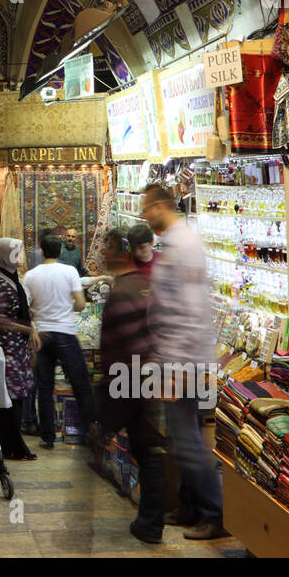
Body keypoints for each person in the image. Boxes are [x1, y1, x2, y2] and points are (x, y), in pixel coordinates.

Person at [140, 184, 226, 540]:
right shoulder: (176, 241)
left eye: (147, 209)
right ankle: (191, 505)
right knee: (182, 437)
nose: (145, 216)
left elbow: (188, 311)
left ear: (161, 205)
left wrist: (175, 368)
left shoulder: (184, 244)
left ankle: (214, 513)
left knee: (188, 440)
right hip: (180, 357)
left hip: (185, 360)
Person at [97, 226, 165, 544]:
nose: (103, 255)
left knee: (147, 452)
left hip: (131, 383)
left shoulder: (125, 289)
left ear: (121, 253)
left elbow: (134, 344)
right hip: (136, 381)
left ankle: (151, 524)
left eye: (108, 250)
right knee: (146, 450)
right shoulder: (137, 284)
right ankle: (150, 522)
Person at [23, 233, 94, 450]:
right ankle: (91, 432)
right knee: (80, 383)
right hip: (64, 332)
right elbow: (81, 304)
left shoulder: (30, 276)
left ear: (41, 251)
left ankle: (48, 437)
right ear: (61, 251)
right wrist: (65, 307)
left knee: (44, 386)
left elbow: (26, 309)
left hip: (42, 335)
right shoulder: (69, 271)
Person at [0, 237, 39, 460]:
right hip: (8, 348)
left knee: (17, 397)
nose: (20, 258)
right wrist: (28, 330)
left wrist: (31, 327)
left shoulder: (13, 278)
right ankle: (10, 446)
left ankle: (13, 444)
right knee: (10, 398)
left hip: (18, 348)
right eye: (15, 254)